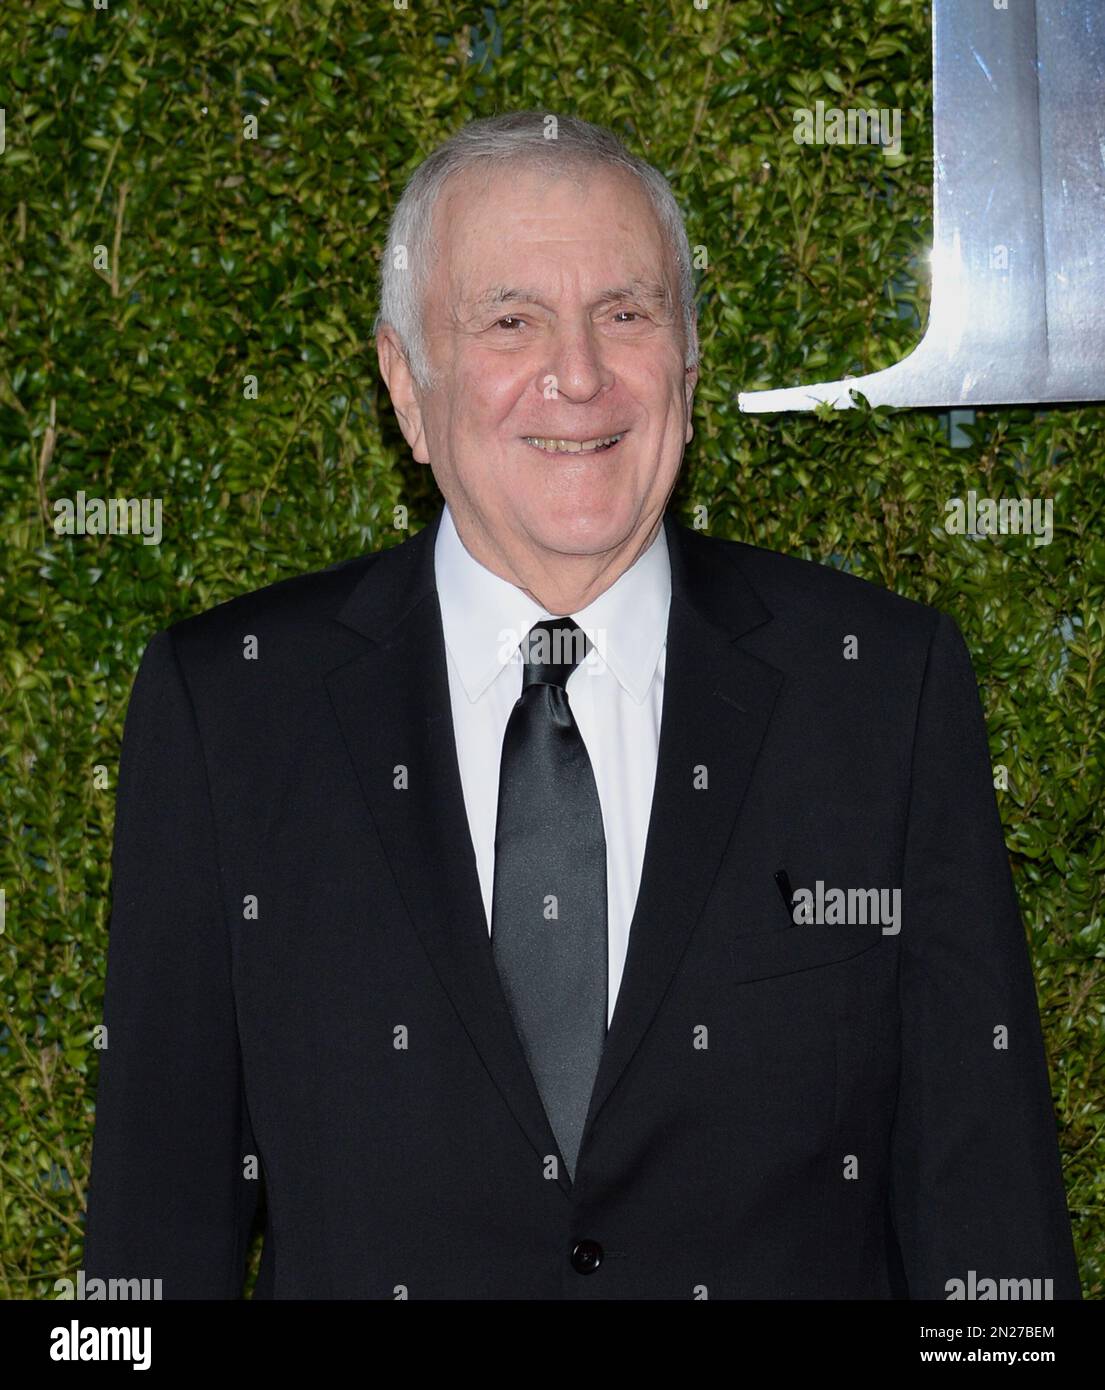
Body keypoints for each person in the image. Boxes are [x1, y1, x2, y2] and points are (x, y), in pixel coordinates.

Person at [82, 110, 1081, 1299]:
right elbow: (157, 1234)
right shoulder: (229, 712)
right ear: (407, 384)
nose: (579, 374)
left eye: (625, 312)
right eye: (510, 320)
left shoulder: (877, 689)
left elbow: (988, 1220)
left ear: (691, 363)